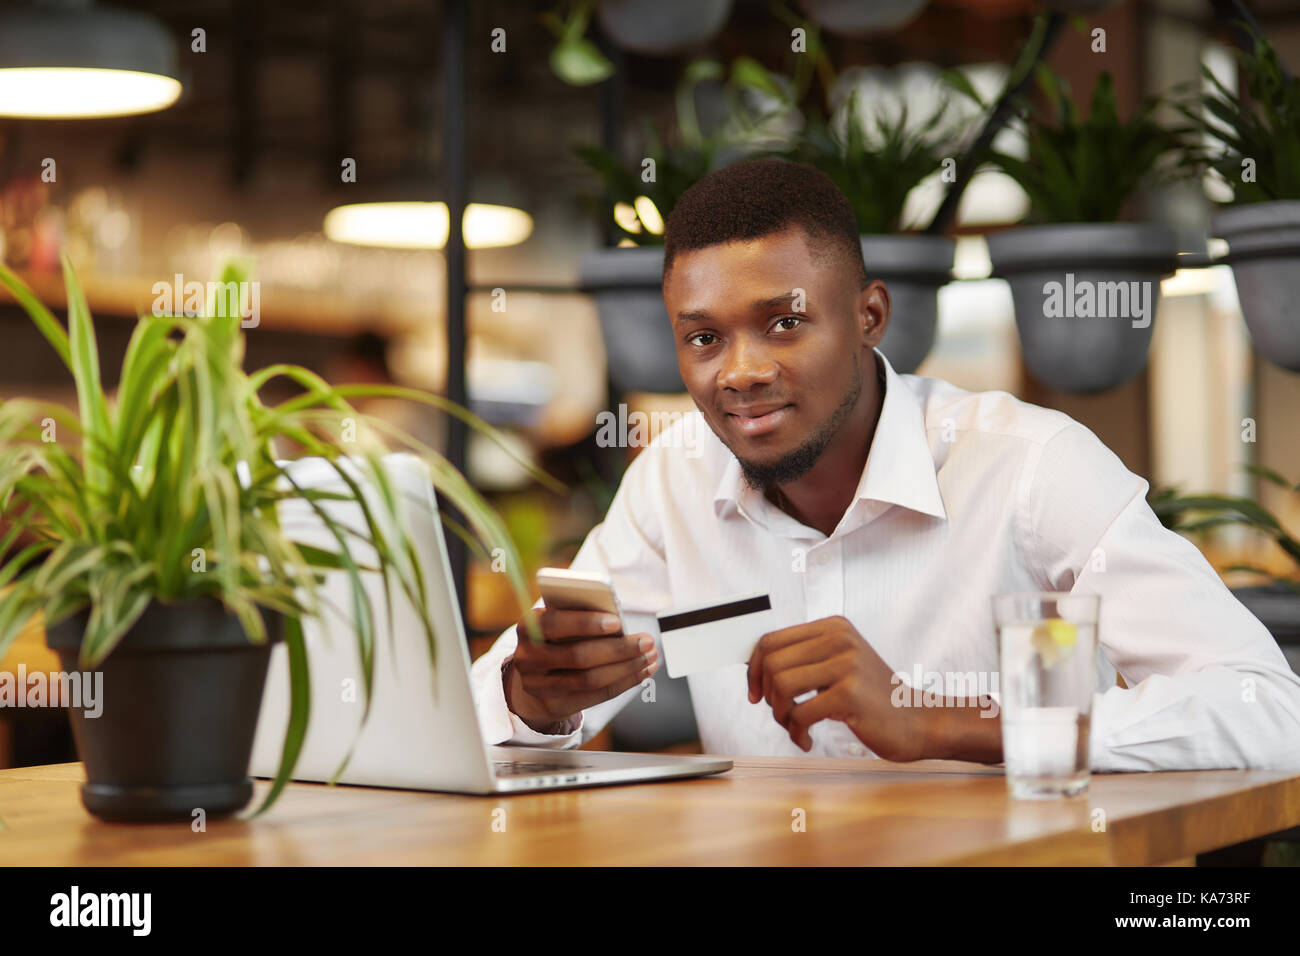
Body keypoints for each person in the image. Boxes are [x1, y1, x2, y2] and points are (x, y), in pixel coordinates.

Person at [470, 157, 1300, 770]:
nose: (741, 370)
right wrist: (531, 701)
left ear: (869, 316)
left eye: (784, 322)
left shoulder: (1027, 468)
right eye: (704, 337)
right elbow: (474, 717)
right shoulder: (672, 485)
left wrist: (937, 720)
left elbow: (1269, 710)